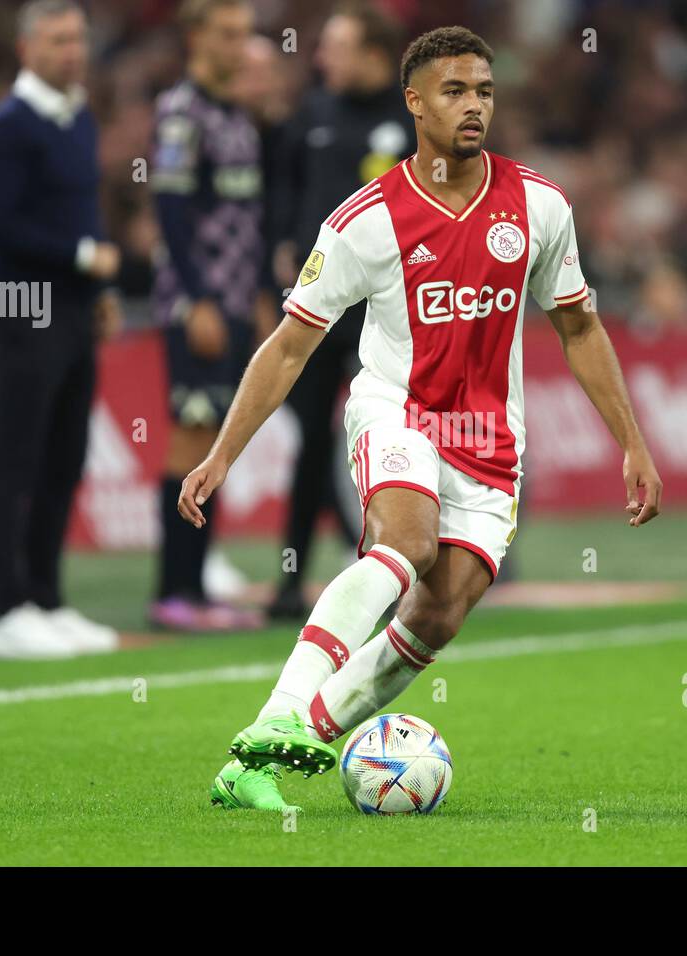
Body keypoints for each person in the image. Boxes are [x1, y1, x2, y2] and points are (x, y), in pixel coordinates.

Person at [178, 26, 662, 812]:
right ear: (415, 102)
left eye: (484, 92)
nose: (473, 107)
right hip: (396, 410)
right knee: (405, 544)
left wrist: (633, 444)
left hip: (488, 439)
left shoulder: (540, 207)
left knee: (437, 614)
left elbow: (579, 327)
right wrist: (224, 454)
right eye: (453, 92)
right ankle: (278, 713)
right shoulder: (364, 221)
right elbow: (290, 346)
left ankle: (263, 764)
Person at [0, 0, 123, 659]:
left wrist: (98, 288)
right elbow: (0, 225)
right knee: (17, 459)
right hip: (21, 305)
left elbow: (82, 211)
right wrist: (82, 259)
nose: (72, 51)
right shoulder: (8, 126)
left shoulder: (78, 117)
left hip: (70, 310)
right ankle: (7, 608)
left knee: (63, 457)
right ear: (26, 46)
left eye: (78, 39)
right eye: (59, 39)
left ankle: (47, 597)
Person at [264, 1, 415, 620]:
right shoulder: (314, 113)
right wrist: (279, 250)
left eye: (336, 46)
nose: (322, 57)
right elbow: (285, 189)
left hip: (389, 311)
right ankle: (289, 581)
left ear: (373, 54)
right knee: (309, 444)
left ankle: (407, 569)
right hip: (321, 308)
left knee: (400, 439)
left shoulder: (409, 119)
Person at [147, 0, 269, 633]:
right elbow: (170, 211)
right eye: (227, 34)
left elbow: (242, 220)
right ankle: (173, 590)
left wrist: (252, 292)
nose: (238, 46)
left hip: (234, 302)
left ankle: (197, 585)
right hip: (197, 305)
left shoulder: (235, 115)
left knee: (218, 440)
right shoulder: (182, 112)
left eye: (244, 35)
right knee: (191, 435)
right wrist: (196, 298)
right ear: (196, 36)